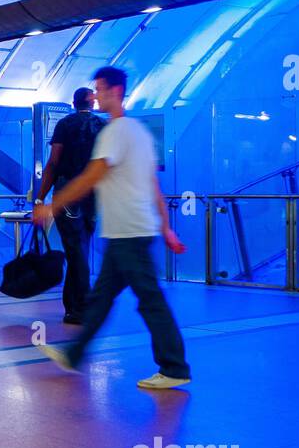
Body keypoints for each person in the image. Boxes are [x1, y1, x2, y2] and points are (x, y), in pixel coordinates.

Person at [32, 67, 191, 389]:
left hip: (129, 233)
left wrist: (53, 205)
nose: (96, 95)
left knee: (150, 299)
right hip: (127, 231)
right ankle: (75, 354)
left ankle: (174, 367)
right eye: (94, 91)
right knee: (101, 298)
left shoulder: (115, 132)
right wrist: (166, 228)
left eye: (101, 89)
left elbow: (91, 176)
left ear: (116, 91)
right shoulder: (139, 133)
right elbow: (153, 185)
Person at [36, 86, 105, 324]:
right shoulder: (102, 126)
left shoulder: (65, 124)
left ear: (74, 103)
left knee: (75, 251)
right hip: (93, 196)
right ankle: (76, 306)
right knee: (81, 249)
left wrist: (39, 197)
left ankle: (80, 307)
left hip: (68, 194)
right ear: (92, 103)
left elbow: (54, 163)